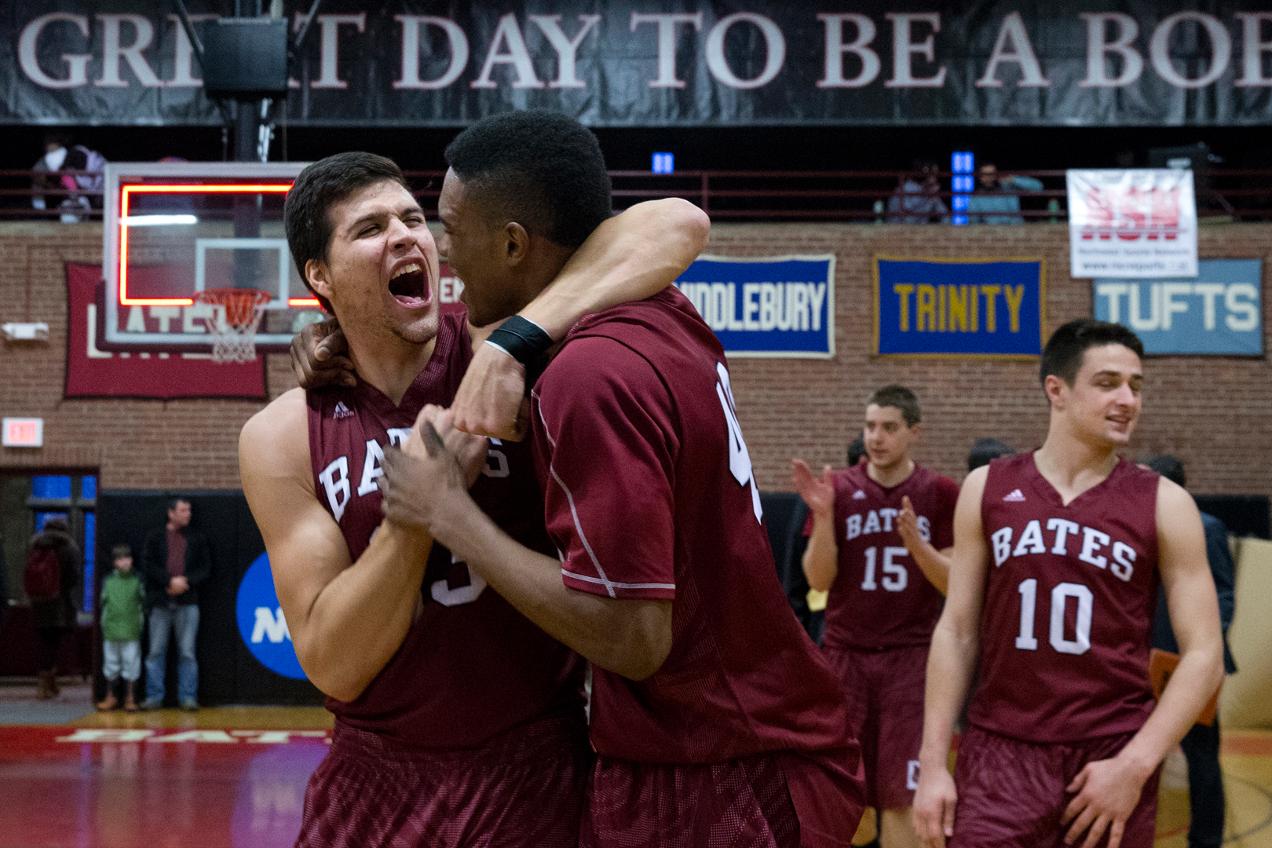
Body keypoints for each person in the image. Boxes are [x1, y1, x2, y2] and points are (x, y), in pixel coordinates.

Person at [378, 109, 864, 847]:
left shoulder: (589, 376)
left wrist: (451, 515)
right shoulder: (658, 304)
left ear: (512, 243)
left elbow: (636, 636)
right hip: (730, 736)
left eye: (451, 228)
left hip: (723, 761)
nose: (444, 251)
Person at [242, 149, 709, 847]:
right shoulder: (280, 436)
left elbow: (679, 223)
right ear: (320, 276)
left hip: (536, 761)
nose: (405, 235)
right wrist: (417, 518)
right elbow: (333, 661)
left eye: (412, 218)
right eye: (370, 230)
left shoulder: (508, 343)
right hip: (373, 777)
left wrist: (516, 341)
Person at [913, 319, 1225, 848]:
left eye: (1136, 385)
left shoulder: (1166, 504)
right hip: (1000, 753)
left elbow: (1204, 655)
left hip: (1108, 755)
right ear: (1056, 390)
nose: (1127, 399)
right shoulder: (987, 488)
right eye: (1108, 383)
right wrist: (932, 762)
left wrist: (1135, 765)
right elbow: (958, 630)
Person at [792, 385, 959, 848]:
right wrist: (824, 519)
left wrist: (918, 548)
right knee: (843, 797)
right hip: (846, 657)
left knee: (903, 800)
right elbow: (819, 580)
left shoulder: (940, 492)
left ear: (913, 432)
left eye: (888, 427)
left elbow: (955, 584)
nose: (876, 437)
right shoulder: (840, 489)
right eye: (869, 427)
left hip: (912, 661)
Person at [1143, 454, 1237, 848]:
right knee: (1142, 750)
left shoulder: (1206, 528)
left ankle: (1207, 838)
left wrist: (1201, 653)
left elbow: (1224, 596)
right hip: (1146, 659)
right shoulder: (1145, 528)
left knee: (1200, 756)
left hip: (1187, 663)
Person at [140, 497, 211, 711]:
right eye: (183, 510)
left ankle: (188, 697)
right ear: (171, 513)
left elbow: (205, 568)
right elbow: (147, 564)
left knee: (187, 652)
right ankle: (154, 697)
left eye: (189, 510)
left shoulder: (197, 538)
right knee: (155, 652)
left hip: (187, 602)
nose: (188, 513)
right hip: (160, 602)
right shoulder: (155, 537)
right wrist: (168, 582)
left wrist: (185, 582)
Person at [26, 516, 81, 700]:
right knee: (54, 644)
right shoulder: (69, 547)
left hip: (39, 603)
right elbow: (74, 576)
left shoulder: (36, 545)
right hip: (61, 604)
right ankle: (48, 683)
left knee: (43, 643)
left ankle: (45, 683)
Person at [97, 544, 145, 712]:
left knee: (131, 663)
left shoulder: (138, 580)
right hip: (111, 630)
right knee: (111, 664)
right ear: (114, 562)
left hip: (131, 629)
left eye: (127, 558)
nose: (124, 562)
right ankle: (110, 696)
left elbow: (142, 604)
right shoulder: (108, 581)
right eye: (120, 559)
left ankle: (130, 698)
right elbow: (103, 604)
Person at [31, 133, 106, 222]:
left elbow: (77, 187)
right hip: (54, 201)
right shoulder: (45, 163)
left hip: (92, 195)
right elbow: (38, 178)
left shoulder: (77, 157)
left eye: (54, 144)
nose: (51, 148)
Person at [965, 162, 1042, 225]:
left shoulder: (1009, 187)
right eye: (986, 175)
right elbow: (974, 222)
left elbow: (1038, 187)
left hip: (1016, 231)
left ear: (996, 175)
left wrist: (1014, 180)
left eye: (992, 174)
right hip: (994, 235)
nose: (989, 178)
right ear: (980, 178)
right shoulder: (976, 198)